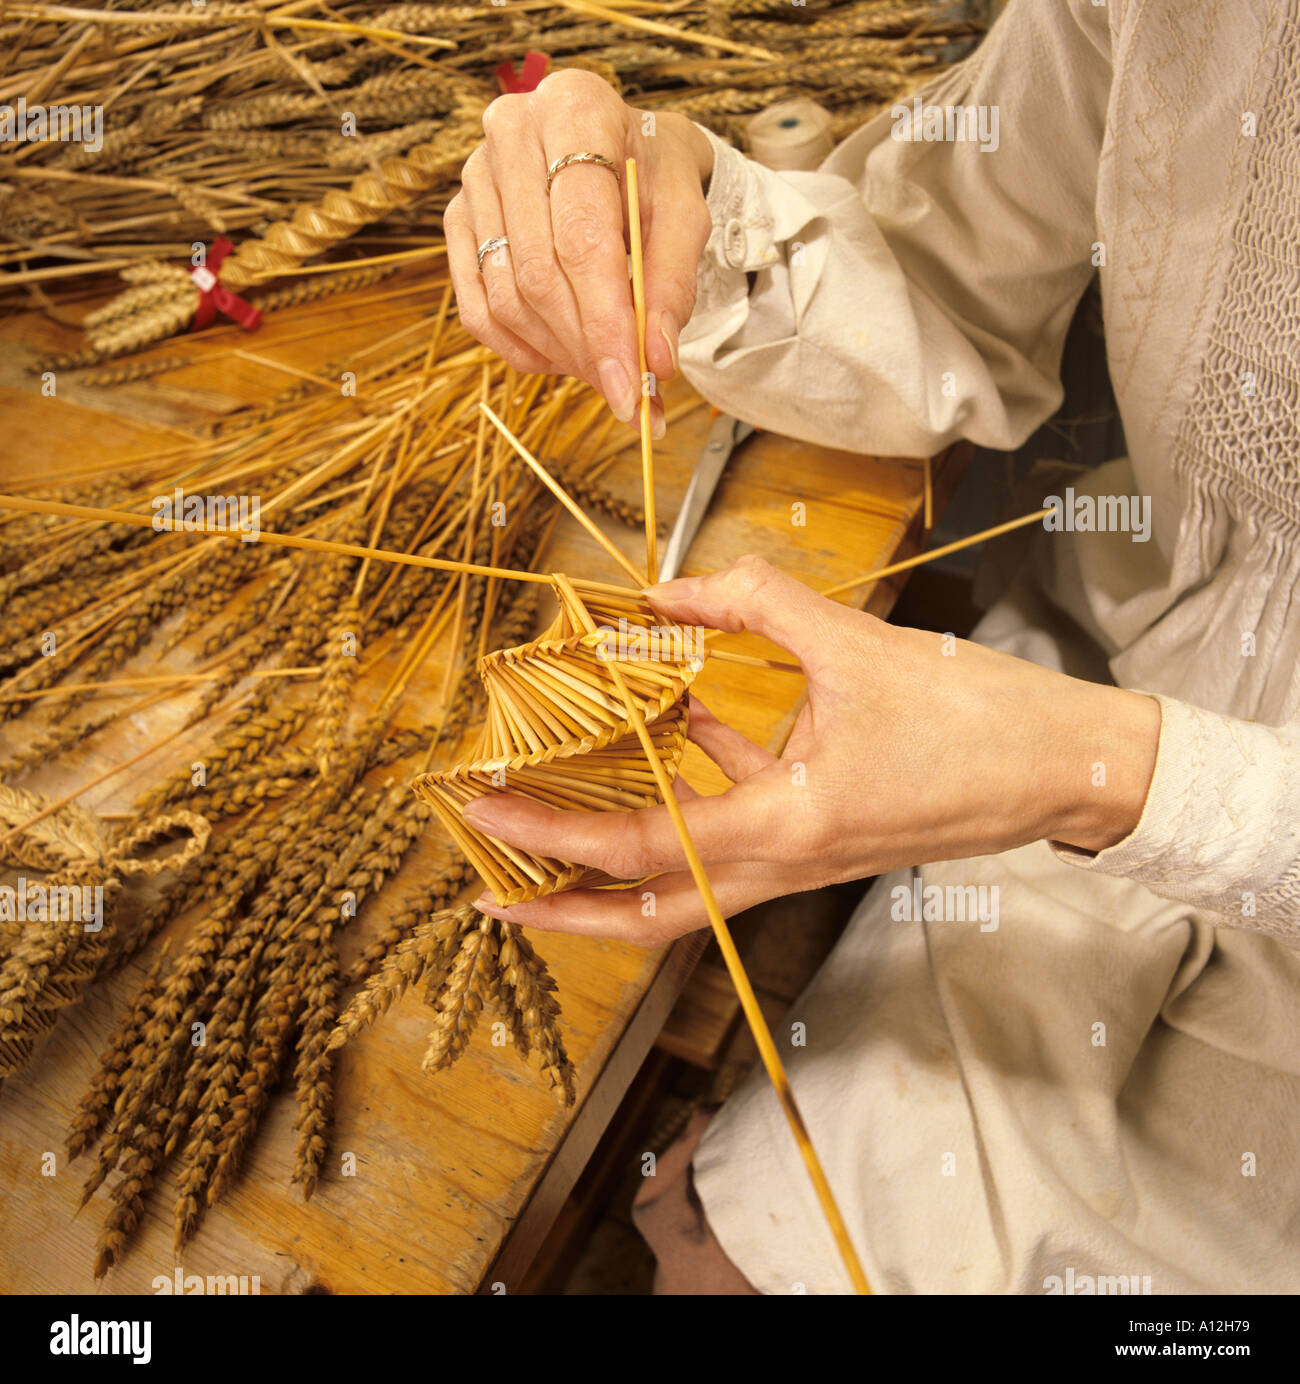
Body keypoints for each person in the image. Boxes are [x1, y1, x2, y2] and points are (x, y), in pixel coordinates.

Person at [445, 0, 1300, 1294]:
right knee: (726, 1235)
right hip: (1120, 685)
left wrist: (1105, 772)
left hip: (1196, 825)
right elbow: (946, 268)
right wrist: (688, 208)